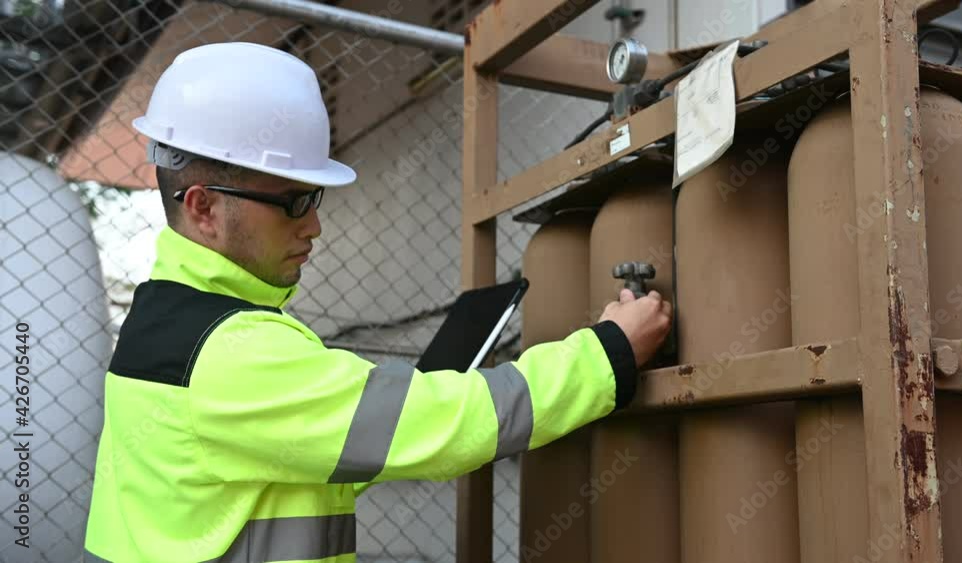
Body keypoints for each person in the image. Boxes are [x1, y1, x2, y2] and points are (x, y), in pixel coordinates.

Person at [83, 42, 672, 563]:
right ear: (204, 208)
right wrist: (607, 355)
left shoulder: (169, 320)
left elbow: (294, 455)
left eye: (315, 198)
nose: (314, 225)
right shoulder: (230, 352)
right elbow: (446, 423)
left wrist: (387, 424)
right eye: (293, 202)